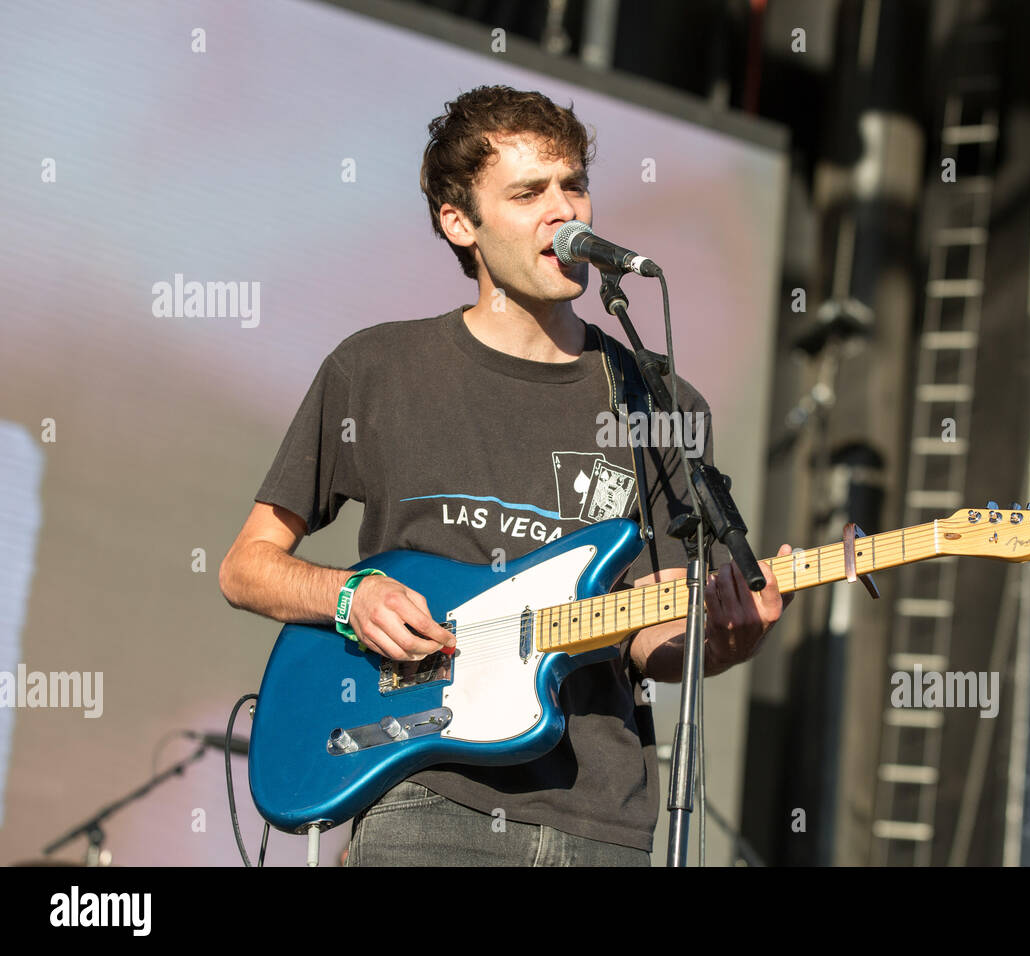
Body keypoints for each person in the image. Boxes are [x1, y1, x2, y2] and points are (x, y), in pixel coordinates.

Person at [219, 85, 793, 866]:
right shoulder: (376, 369)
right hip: (425, 795)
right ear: (461, 222)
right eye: (528, 193)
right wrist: (350, 596)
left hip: (602, 819)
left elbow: (650, 636)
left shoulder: (659, 401)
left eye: (573, 185)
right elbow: (246, 567)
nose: (564, 210)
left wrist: (725, 641)